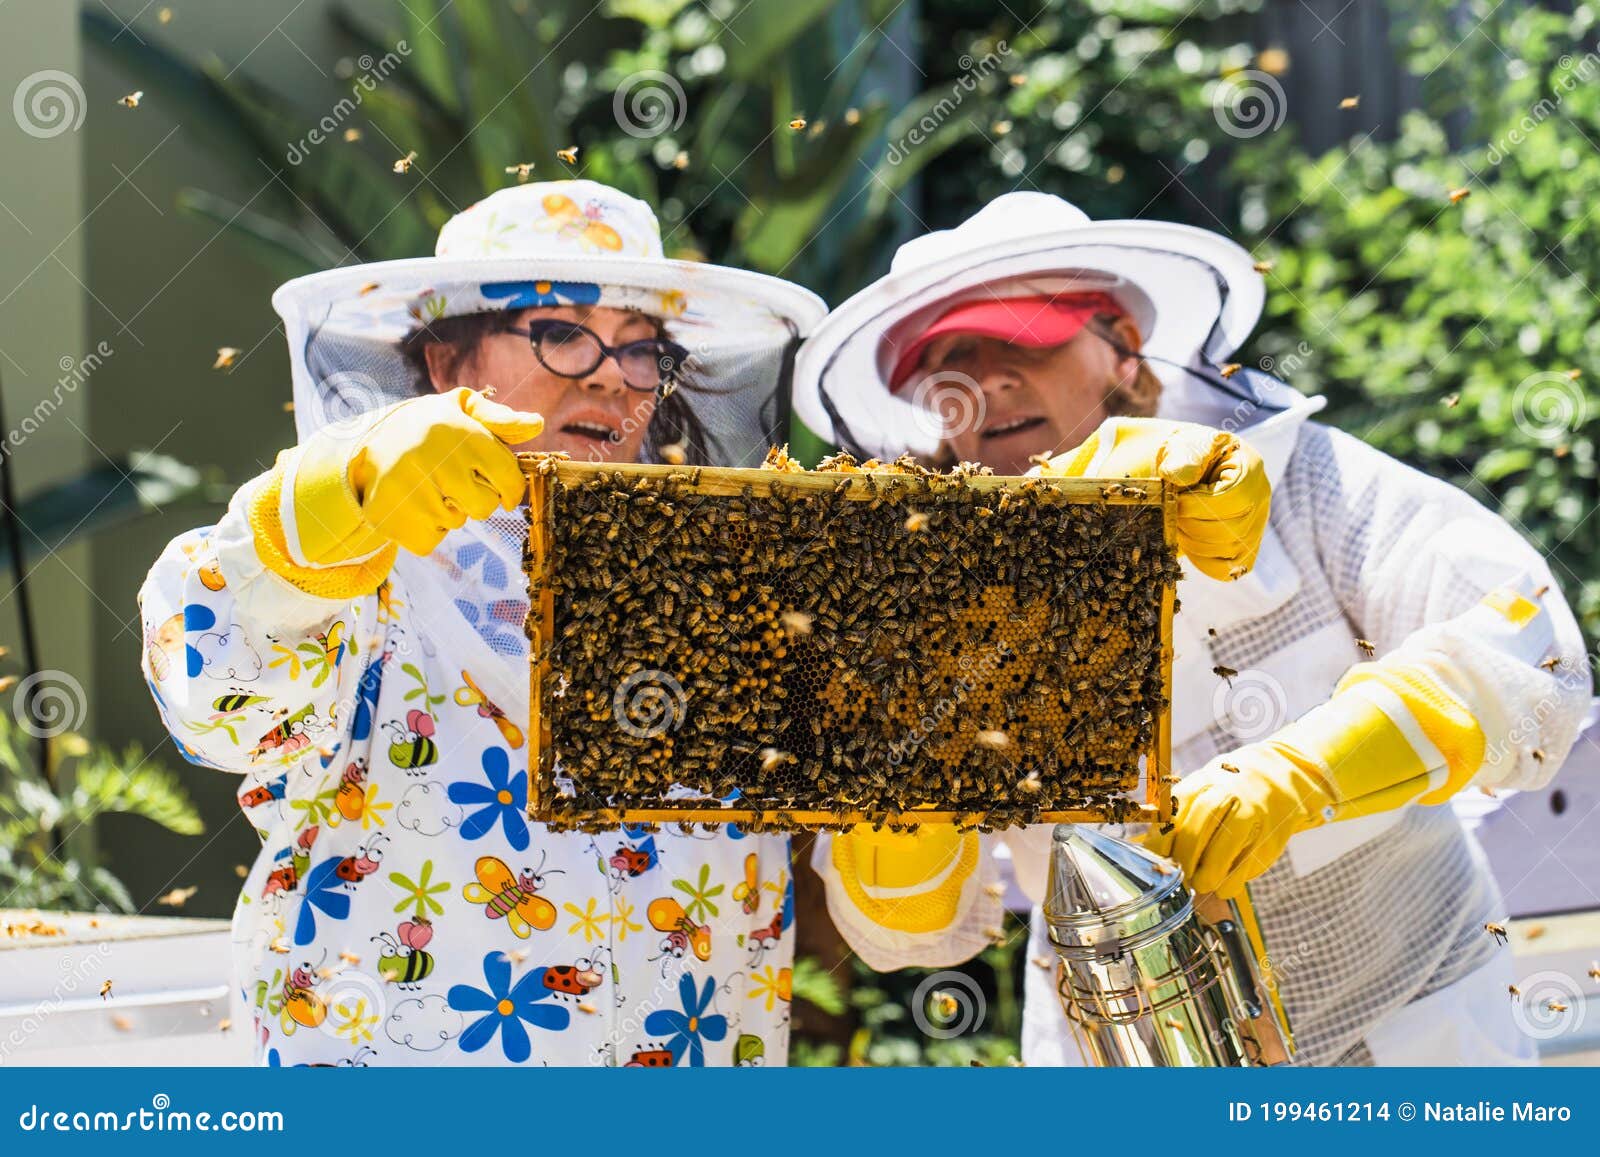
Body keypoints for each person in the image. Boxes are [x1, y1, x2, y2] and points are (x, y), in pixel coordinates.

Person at [794, 190, 1591, 1066]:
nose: (987, 382)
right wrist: (901, 810)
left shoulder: (1298, 477)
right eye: (950, 365)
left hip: (1416, 1041)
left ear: (1123, 348)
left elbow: (1528, 650)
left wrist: (1306, 774)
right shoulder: (925, 601)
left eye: (1025, 339)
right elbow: (900, 935)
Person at [138, 180, 824, 1066]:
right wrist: (330, 502)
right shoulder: (360, 581)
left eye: (640, 346)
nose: (611, 374)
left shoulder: (732, 607)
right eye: (561, 331)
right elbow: (212, 689)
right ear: (447, 363)